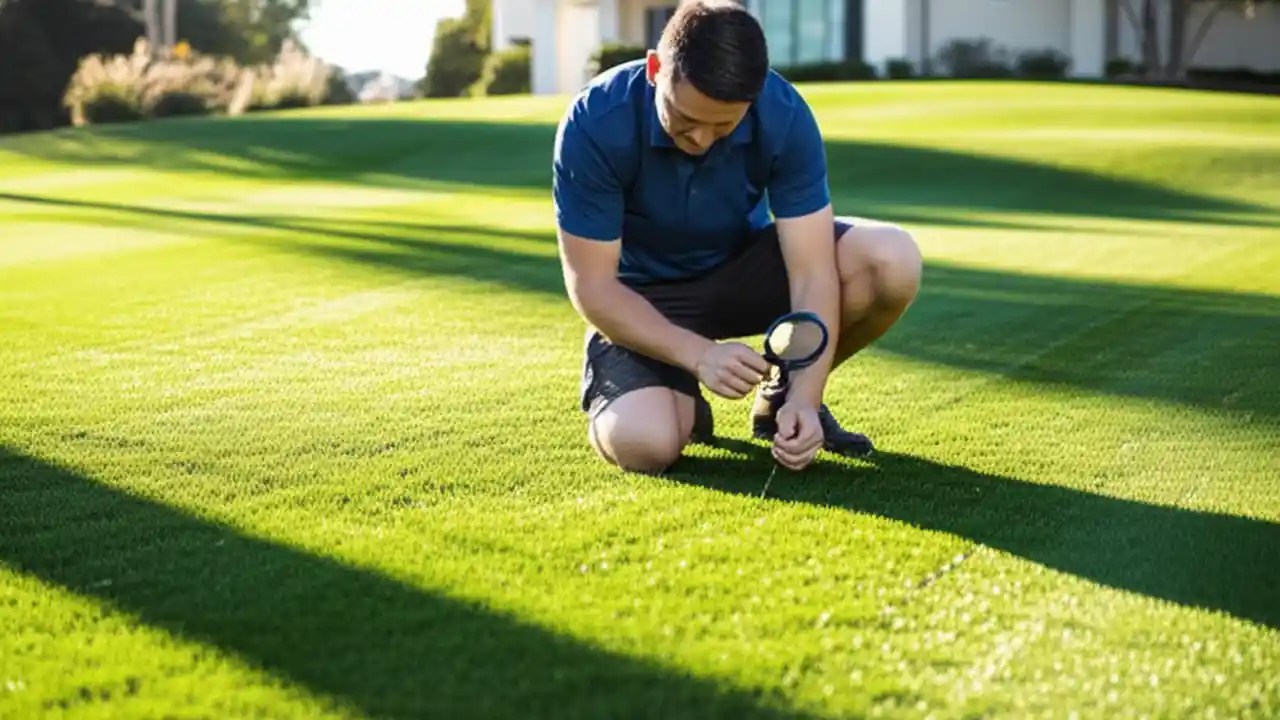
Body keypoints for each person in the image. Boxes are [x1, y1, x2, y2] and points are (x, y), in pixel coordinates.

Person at [552, 0, 922, 475]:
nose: (701, 139)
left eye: (723, 126)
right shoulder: (596, 119)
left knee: (891, 259)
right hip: (644, 297)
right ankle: (676, 391)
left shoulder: (783, 112)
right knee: (644, 444)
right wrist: (699, 355)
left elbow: (812, 272)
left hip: (739, 271)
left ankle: (783, 399)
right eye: (684, 120)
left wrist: (806, 399)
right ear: (654, 69)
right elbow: (593, 286)